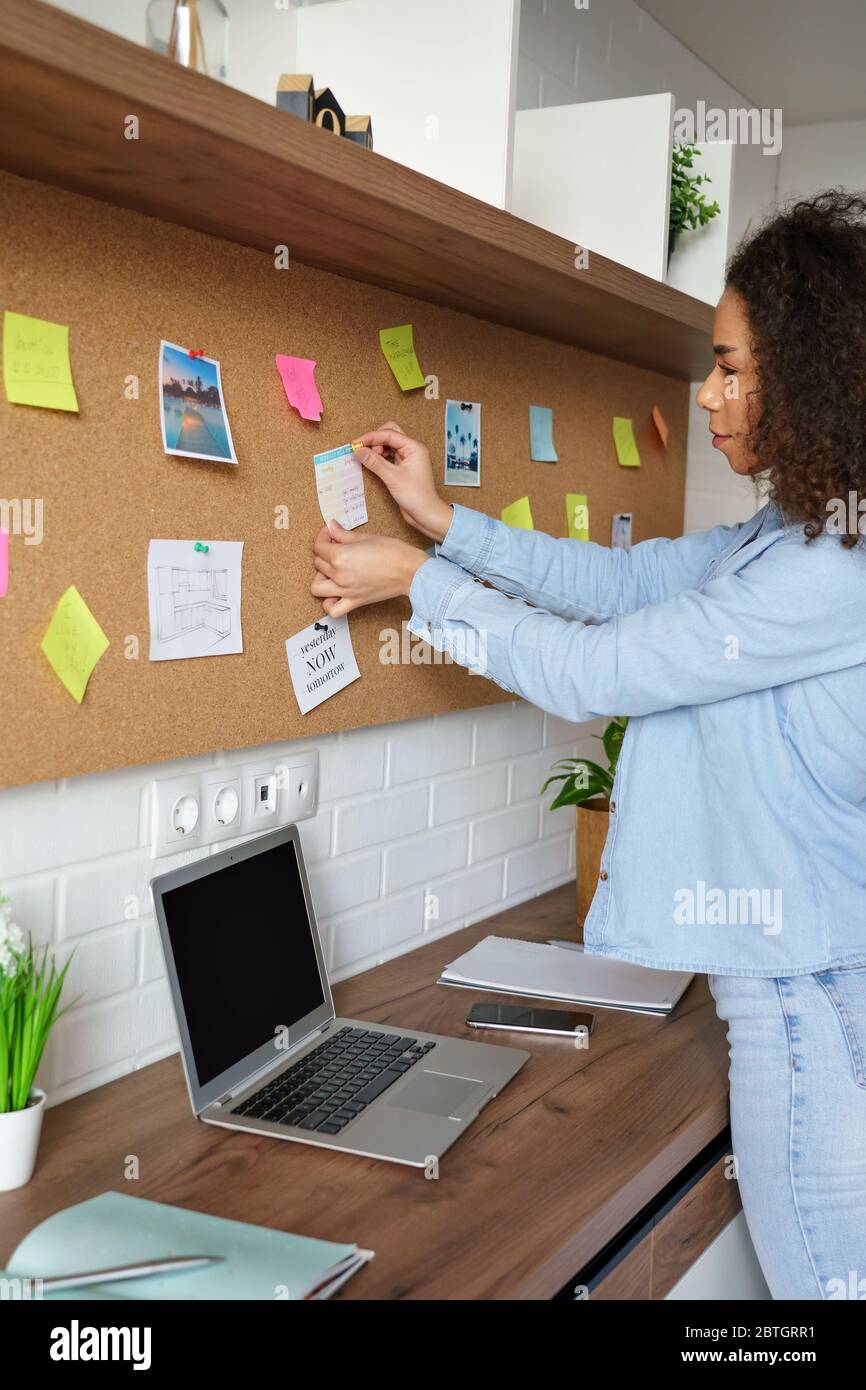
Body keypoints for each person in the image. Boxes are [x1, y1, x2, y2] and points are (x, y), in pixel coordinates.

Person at [310, 192, 866, 1300]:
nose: (704, 393)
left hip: (810, 1009)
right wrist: (441, 522)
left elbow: (593, 670)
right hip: (794, 982)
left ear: (807, 376)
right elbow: (618, 585)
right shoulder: (790, 532)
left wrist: (416, 585)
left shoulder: (827, 574)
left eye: (729, 367)